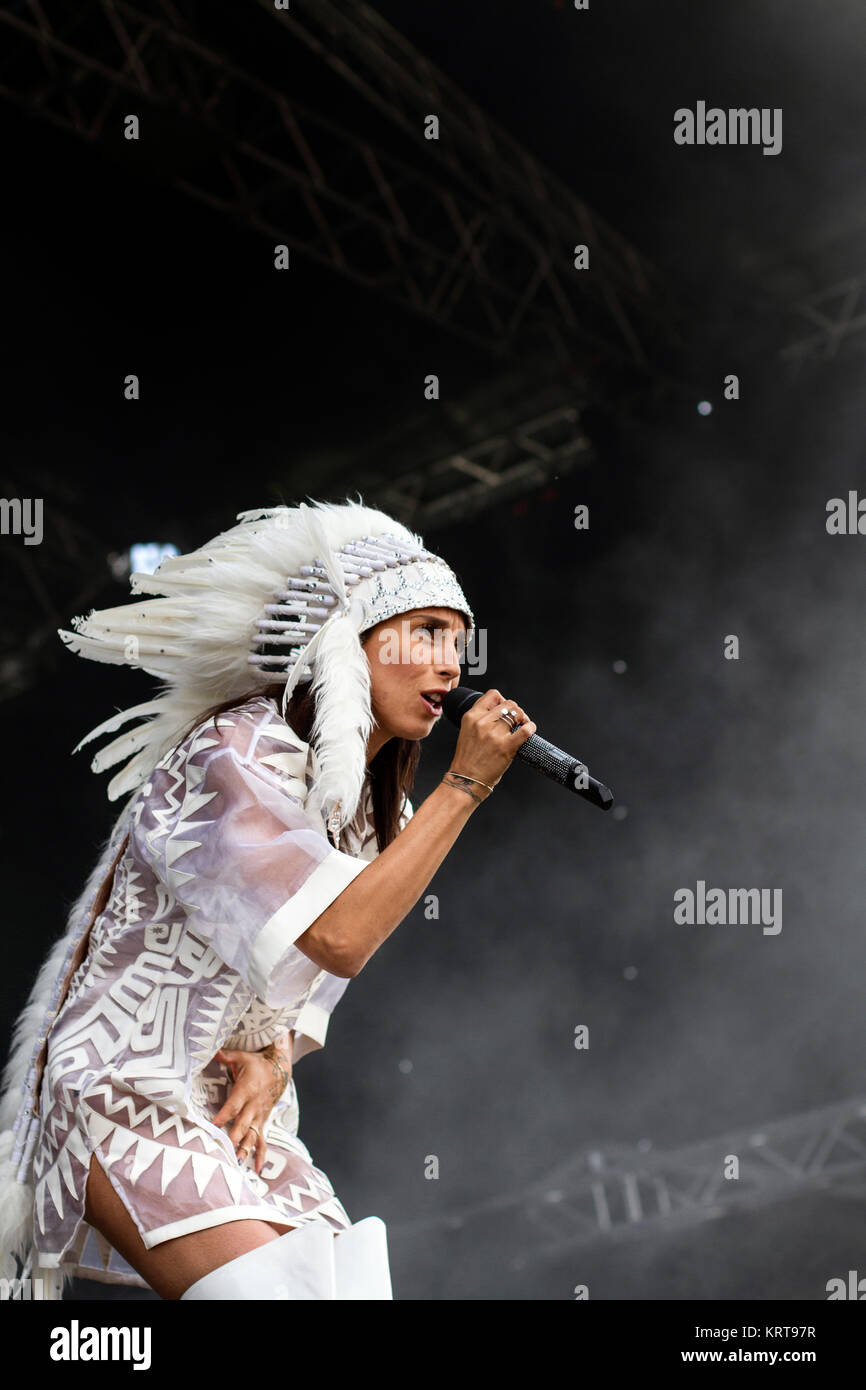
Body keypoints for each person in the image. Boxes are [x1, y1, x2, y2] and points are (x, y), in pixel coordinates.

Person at [0, 498, 535, 1300]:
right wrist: (463, 785)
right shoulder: (235, 750)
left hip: (224, 1106)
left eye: (458, 640)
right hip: (121, 1086)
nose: (453, 664)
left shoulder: (372, 809)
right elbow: (337, 939)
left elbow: (298, 980)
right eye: (425, 631)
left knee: (347, 1294)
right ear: (347, 641)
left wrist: (276, 1057)